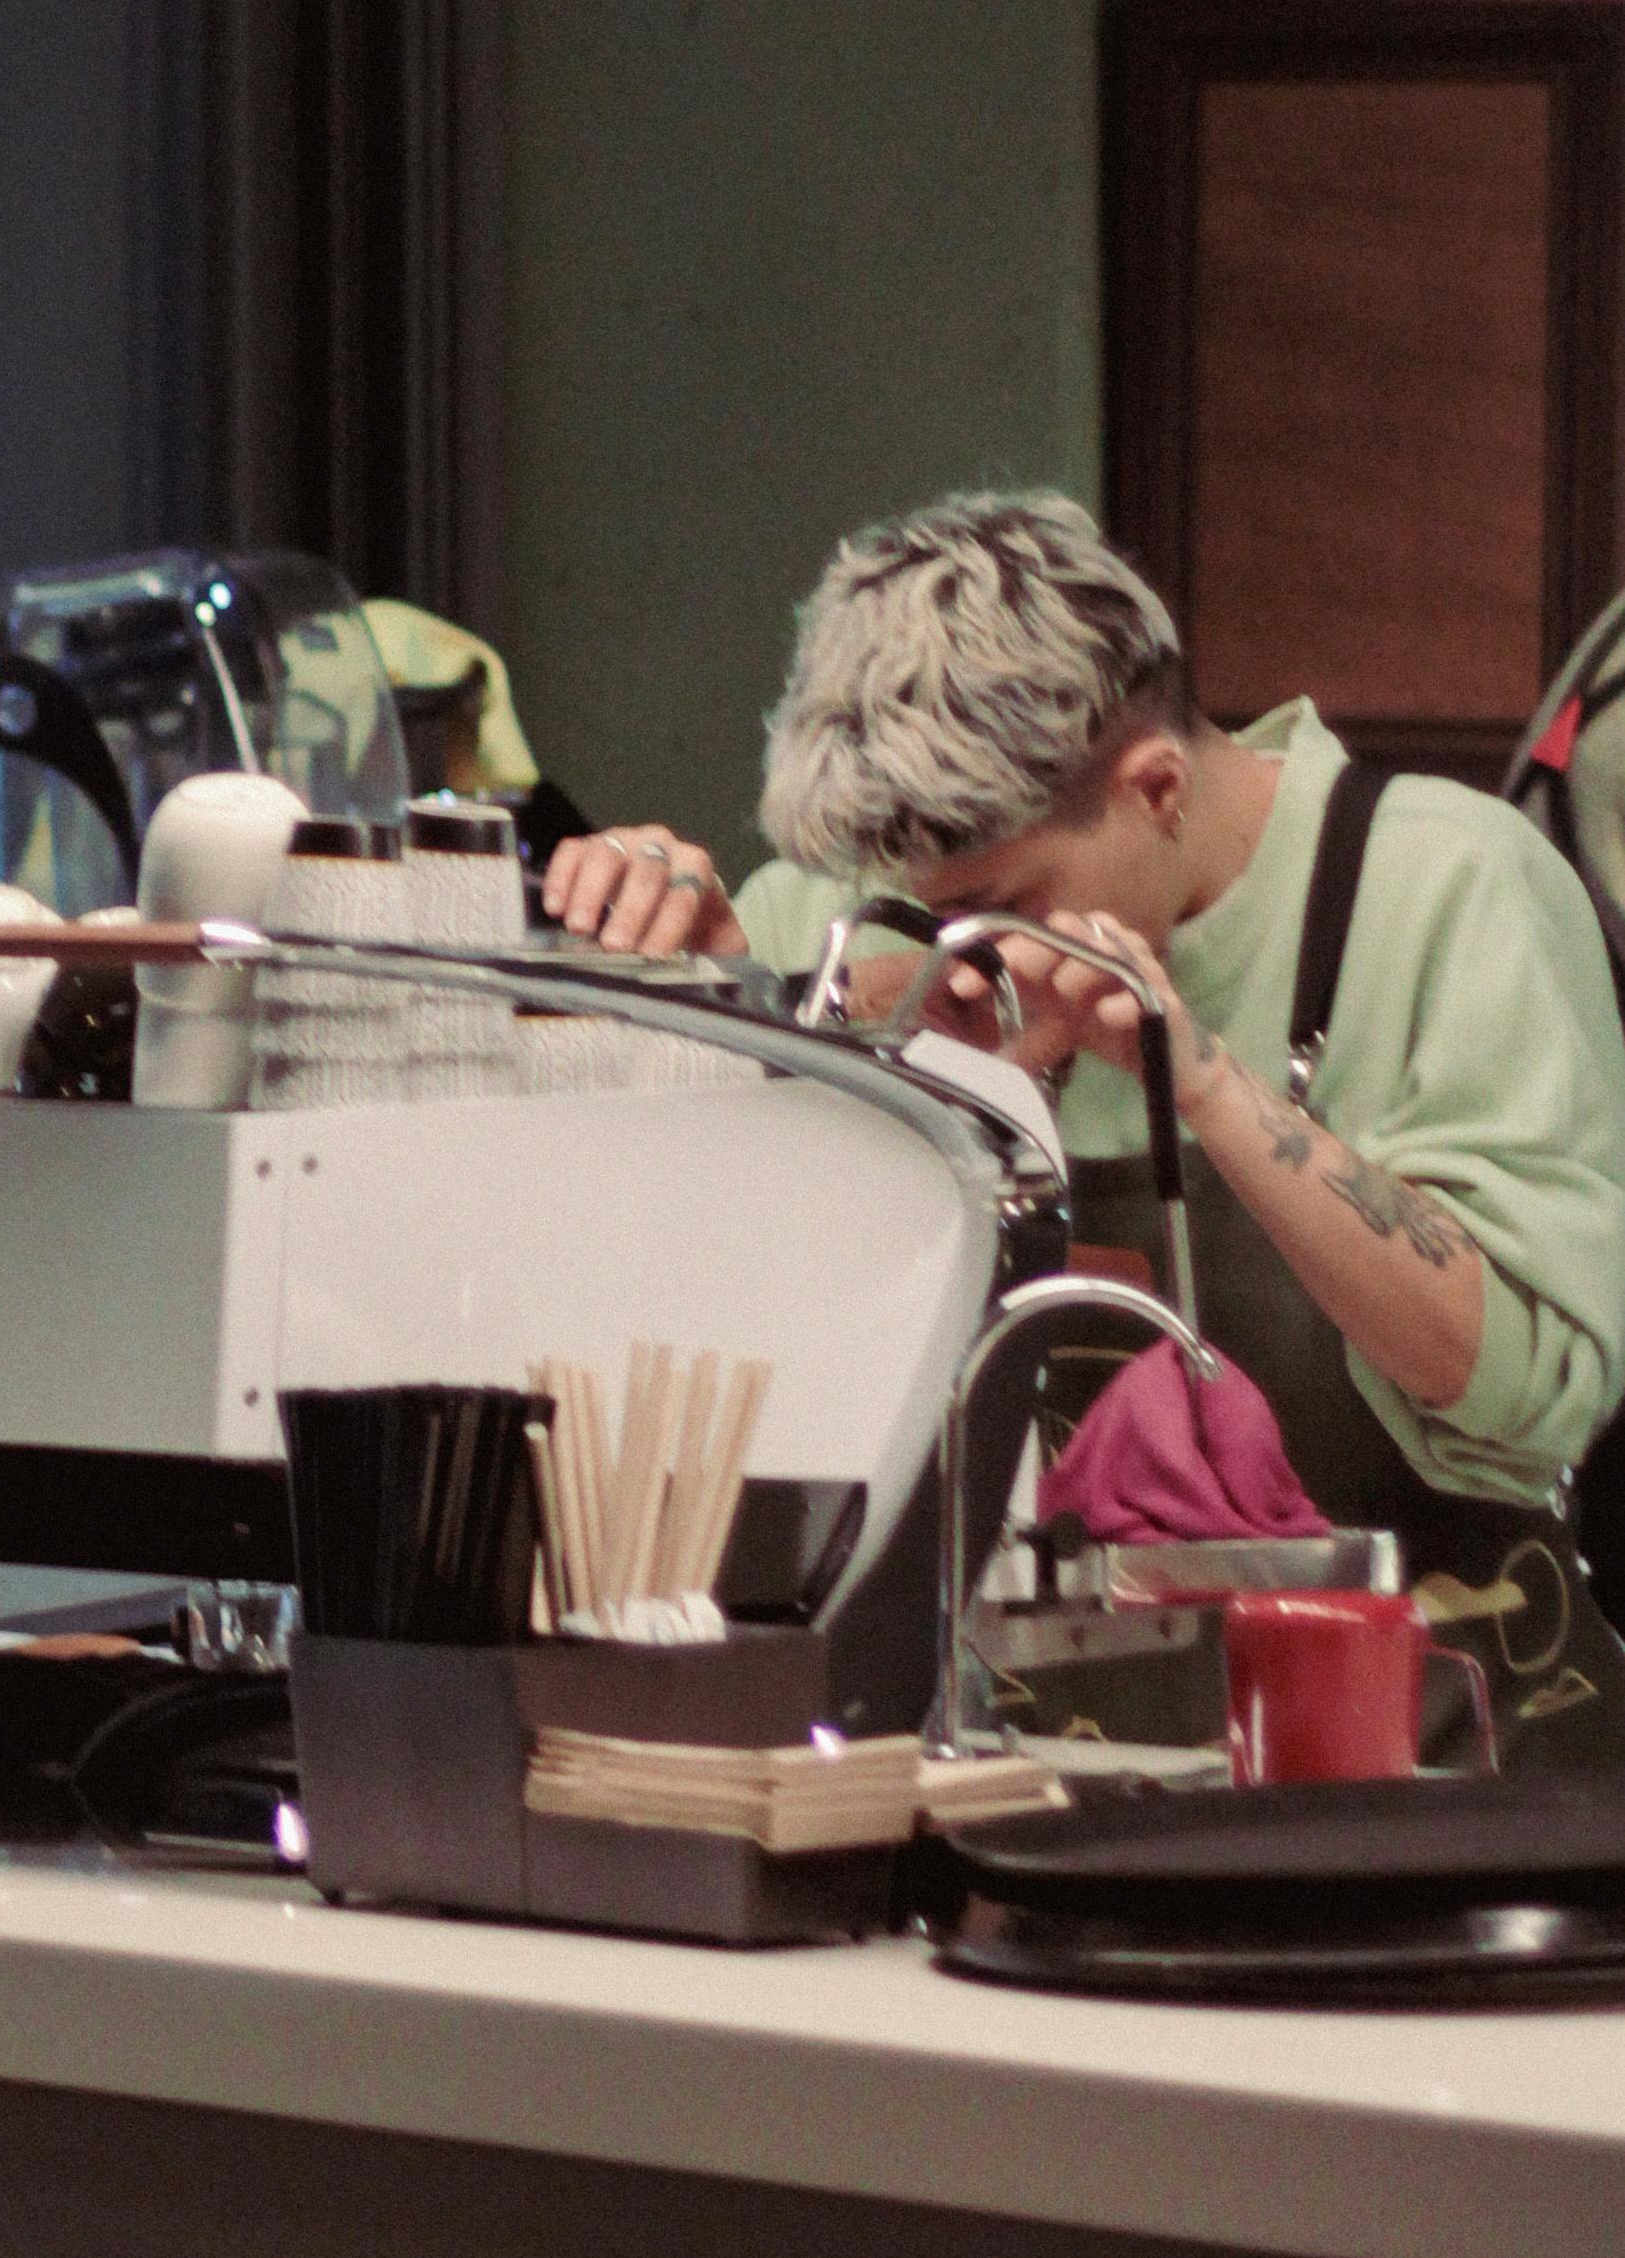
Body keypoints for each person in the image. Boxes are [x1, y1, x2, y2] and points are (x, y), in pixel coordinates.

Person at [543, 492, 1625, 1733]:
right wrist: (705, 1002)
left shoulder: (1446, 887)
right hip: (1022, 1766)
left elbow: (1528, 1394)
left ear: (1153, 787)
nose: (955, 951)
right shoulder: (865, 903)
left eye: (1003, 905)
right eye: (919, 913)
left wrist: (1209, 1088)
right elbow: (678, 1351)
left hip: (1428, 1768)